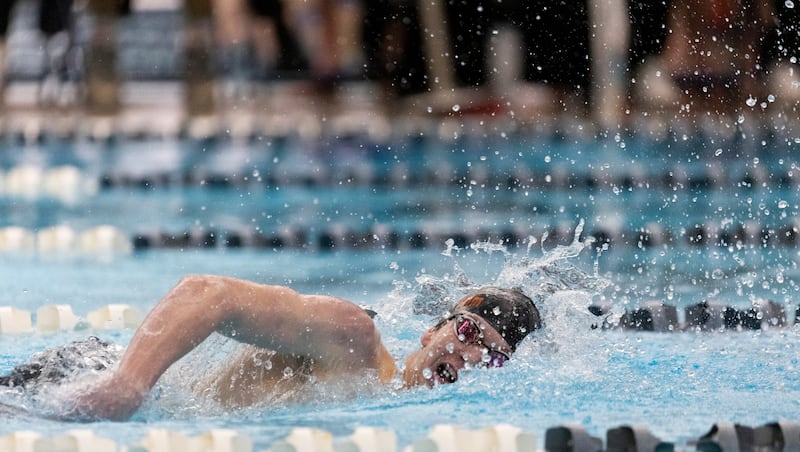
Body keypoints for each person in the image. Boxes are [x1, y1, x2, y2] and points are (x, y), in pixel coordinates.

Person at [2, 275, 541, 421]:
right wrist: (125, 385)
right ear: (433, 329)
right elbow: (205, 293)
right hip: (80, 379)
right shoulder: (354, 340)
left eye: (490, 356)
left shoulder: (388, 407)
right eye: (469, 334)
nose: (467, 357)